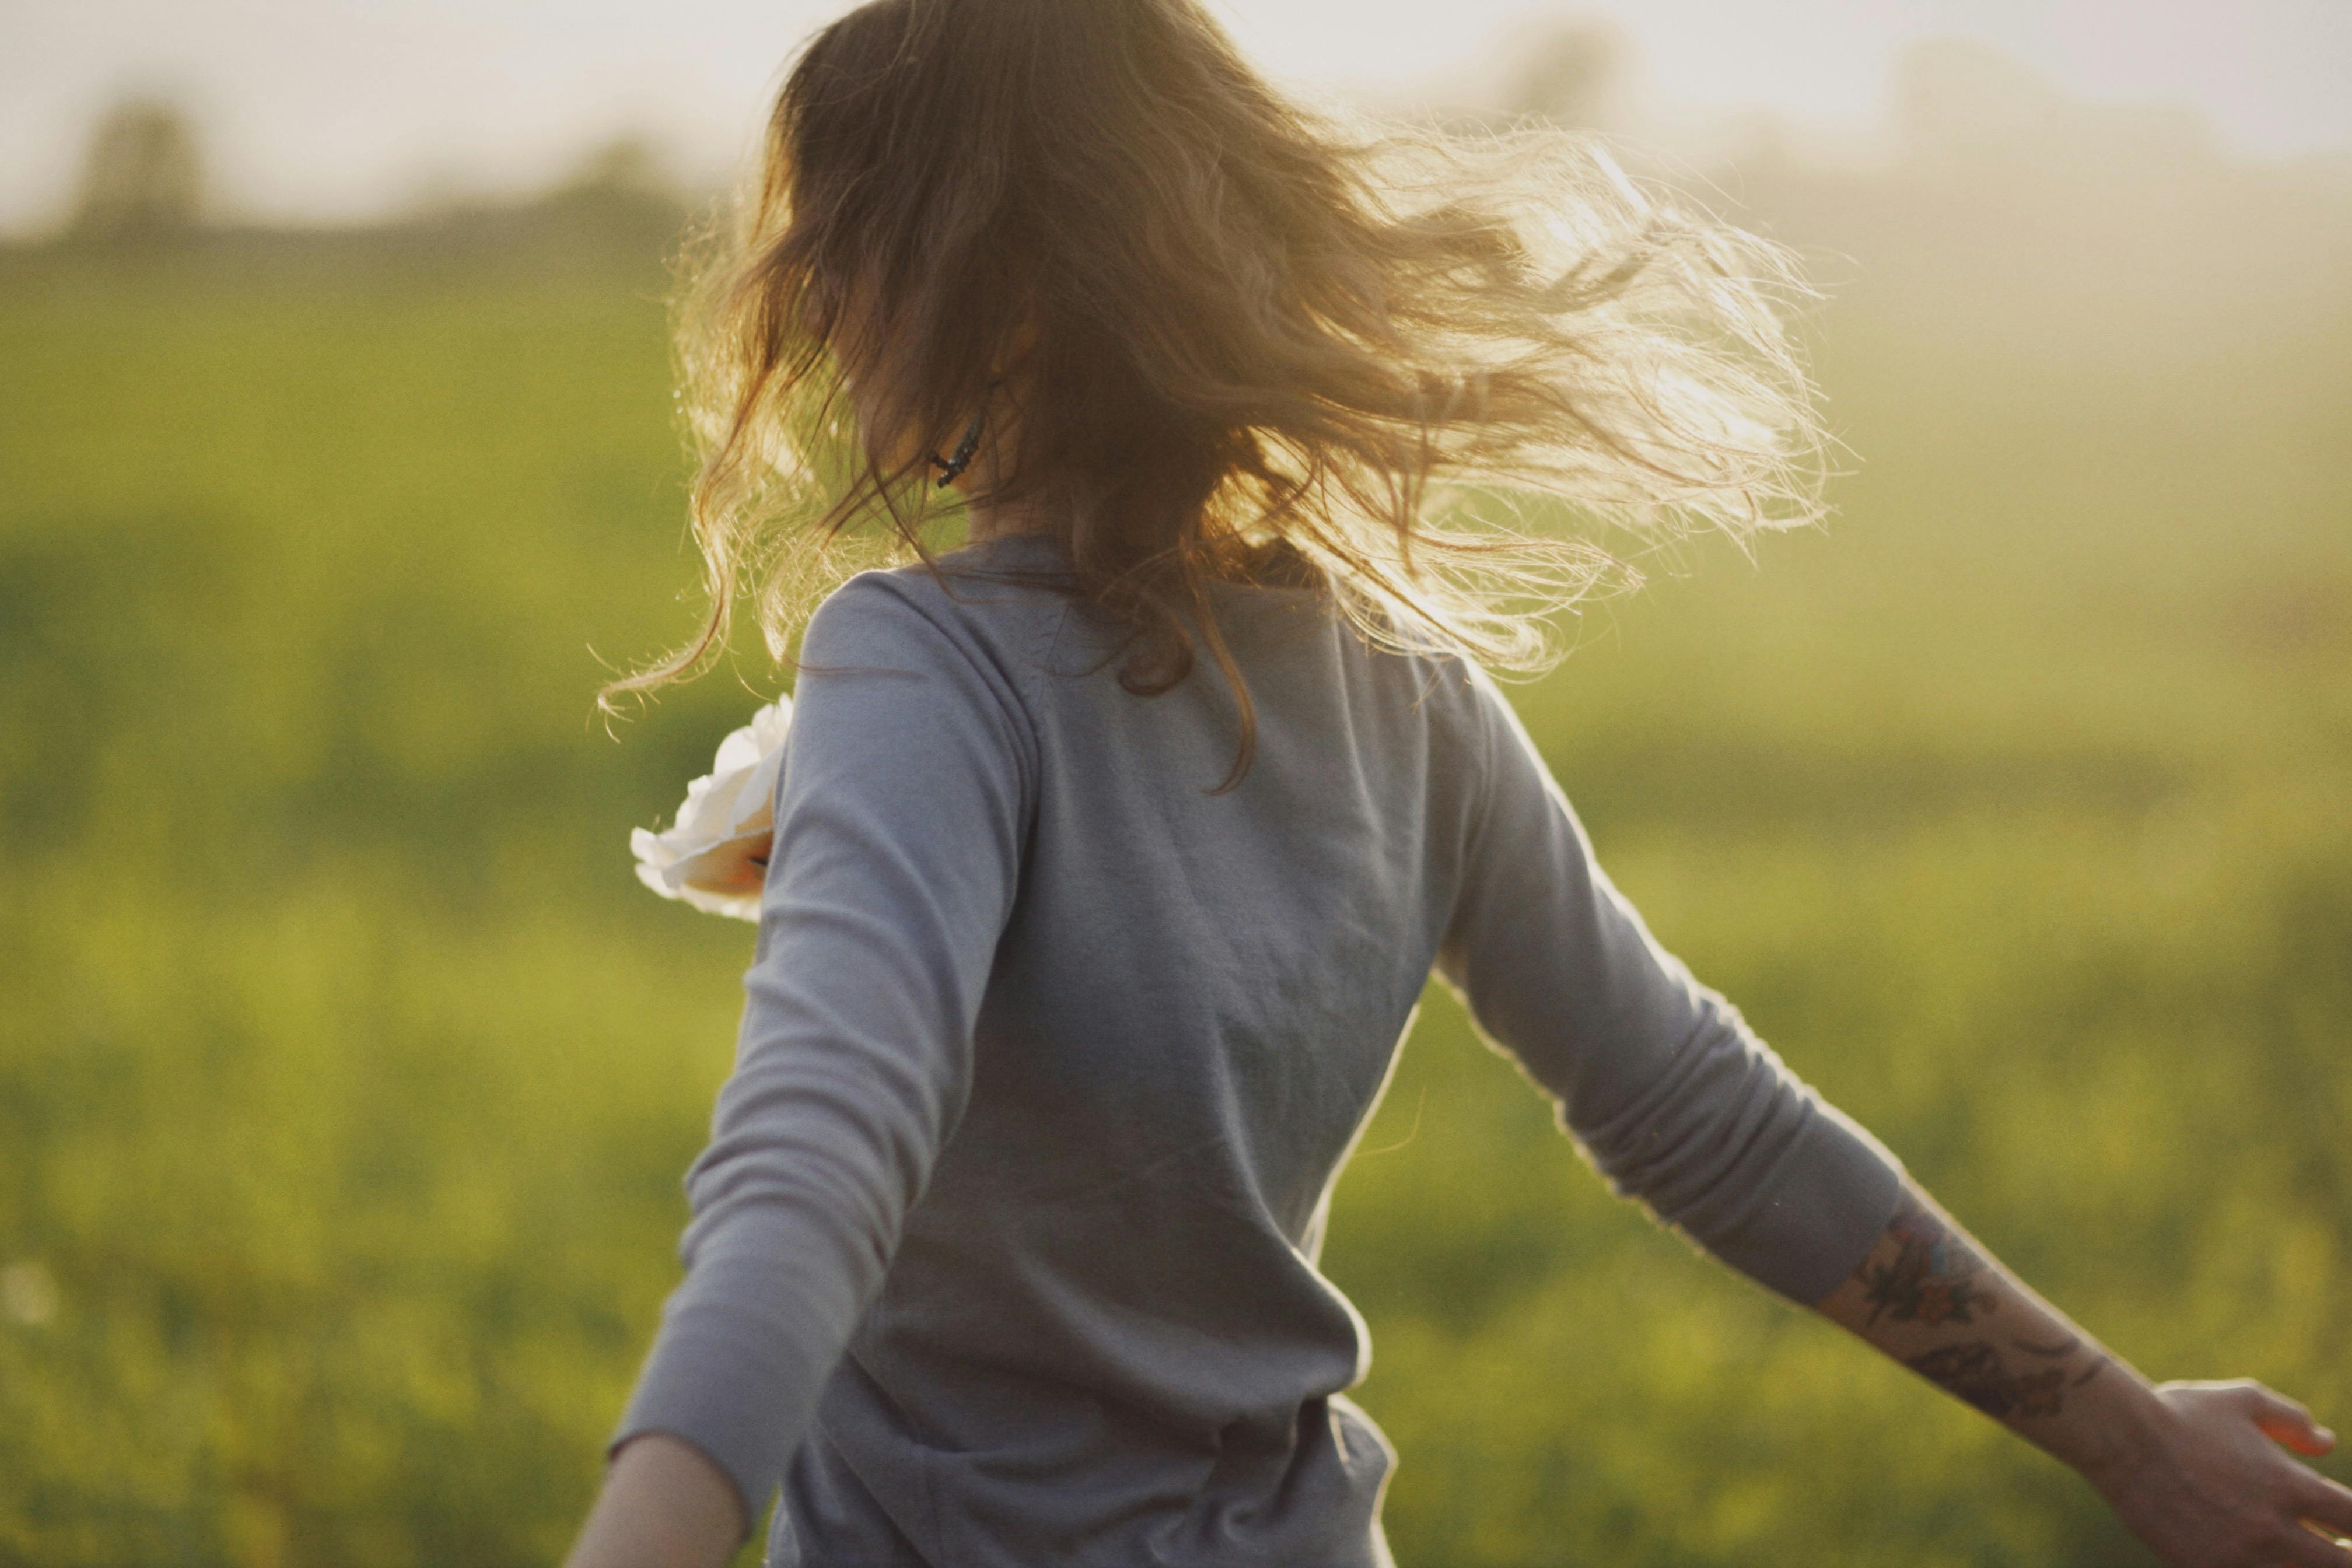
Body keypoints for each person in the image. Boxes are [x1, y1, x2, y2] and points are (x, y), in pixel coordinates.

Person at [562, 2, 2351, 1564]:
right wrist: (2135, 1441)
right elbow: (1695, 1108)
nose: (809, 300)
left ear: (988, 292)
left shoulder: (918, 663)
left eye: (840, 243)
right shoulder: (1395, 675)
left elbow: (818, 1164)